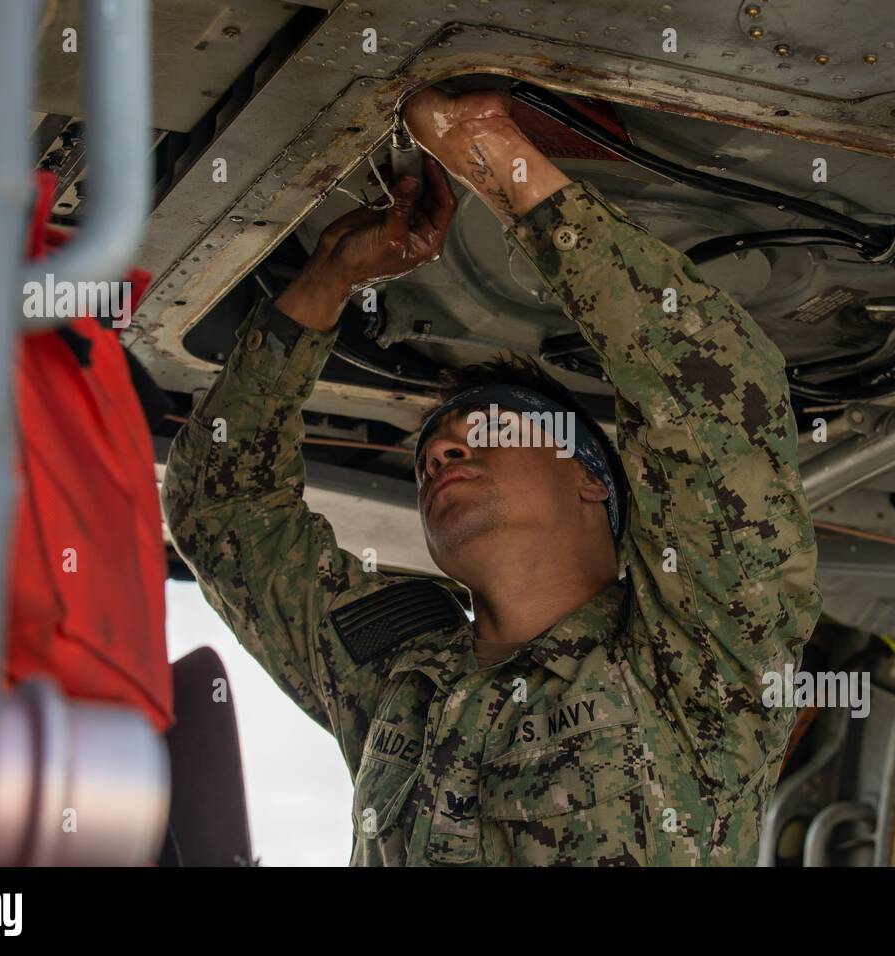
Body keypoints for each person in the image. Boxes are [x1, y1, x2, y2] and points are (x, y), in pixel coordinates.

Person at [161, 87, 821, 865]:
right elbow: (222, 507)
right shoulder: (402, 673)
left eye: (486, 427)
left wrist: (501, 164)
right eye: (432, 449)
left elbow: (712, 392)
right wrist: (330, 276)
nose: (440, 452)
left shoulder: (699, 666)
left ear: (592, 480)